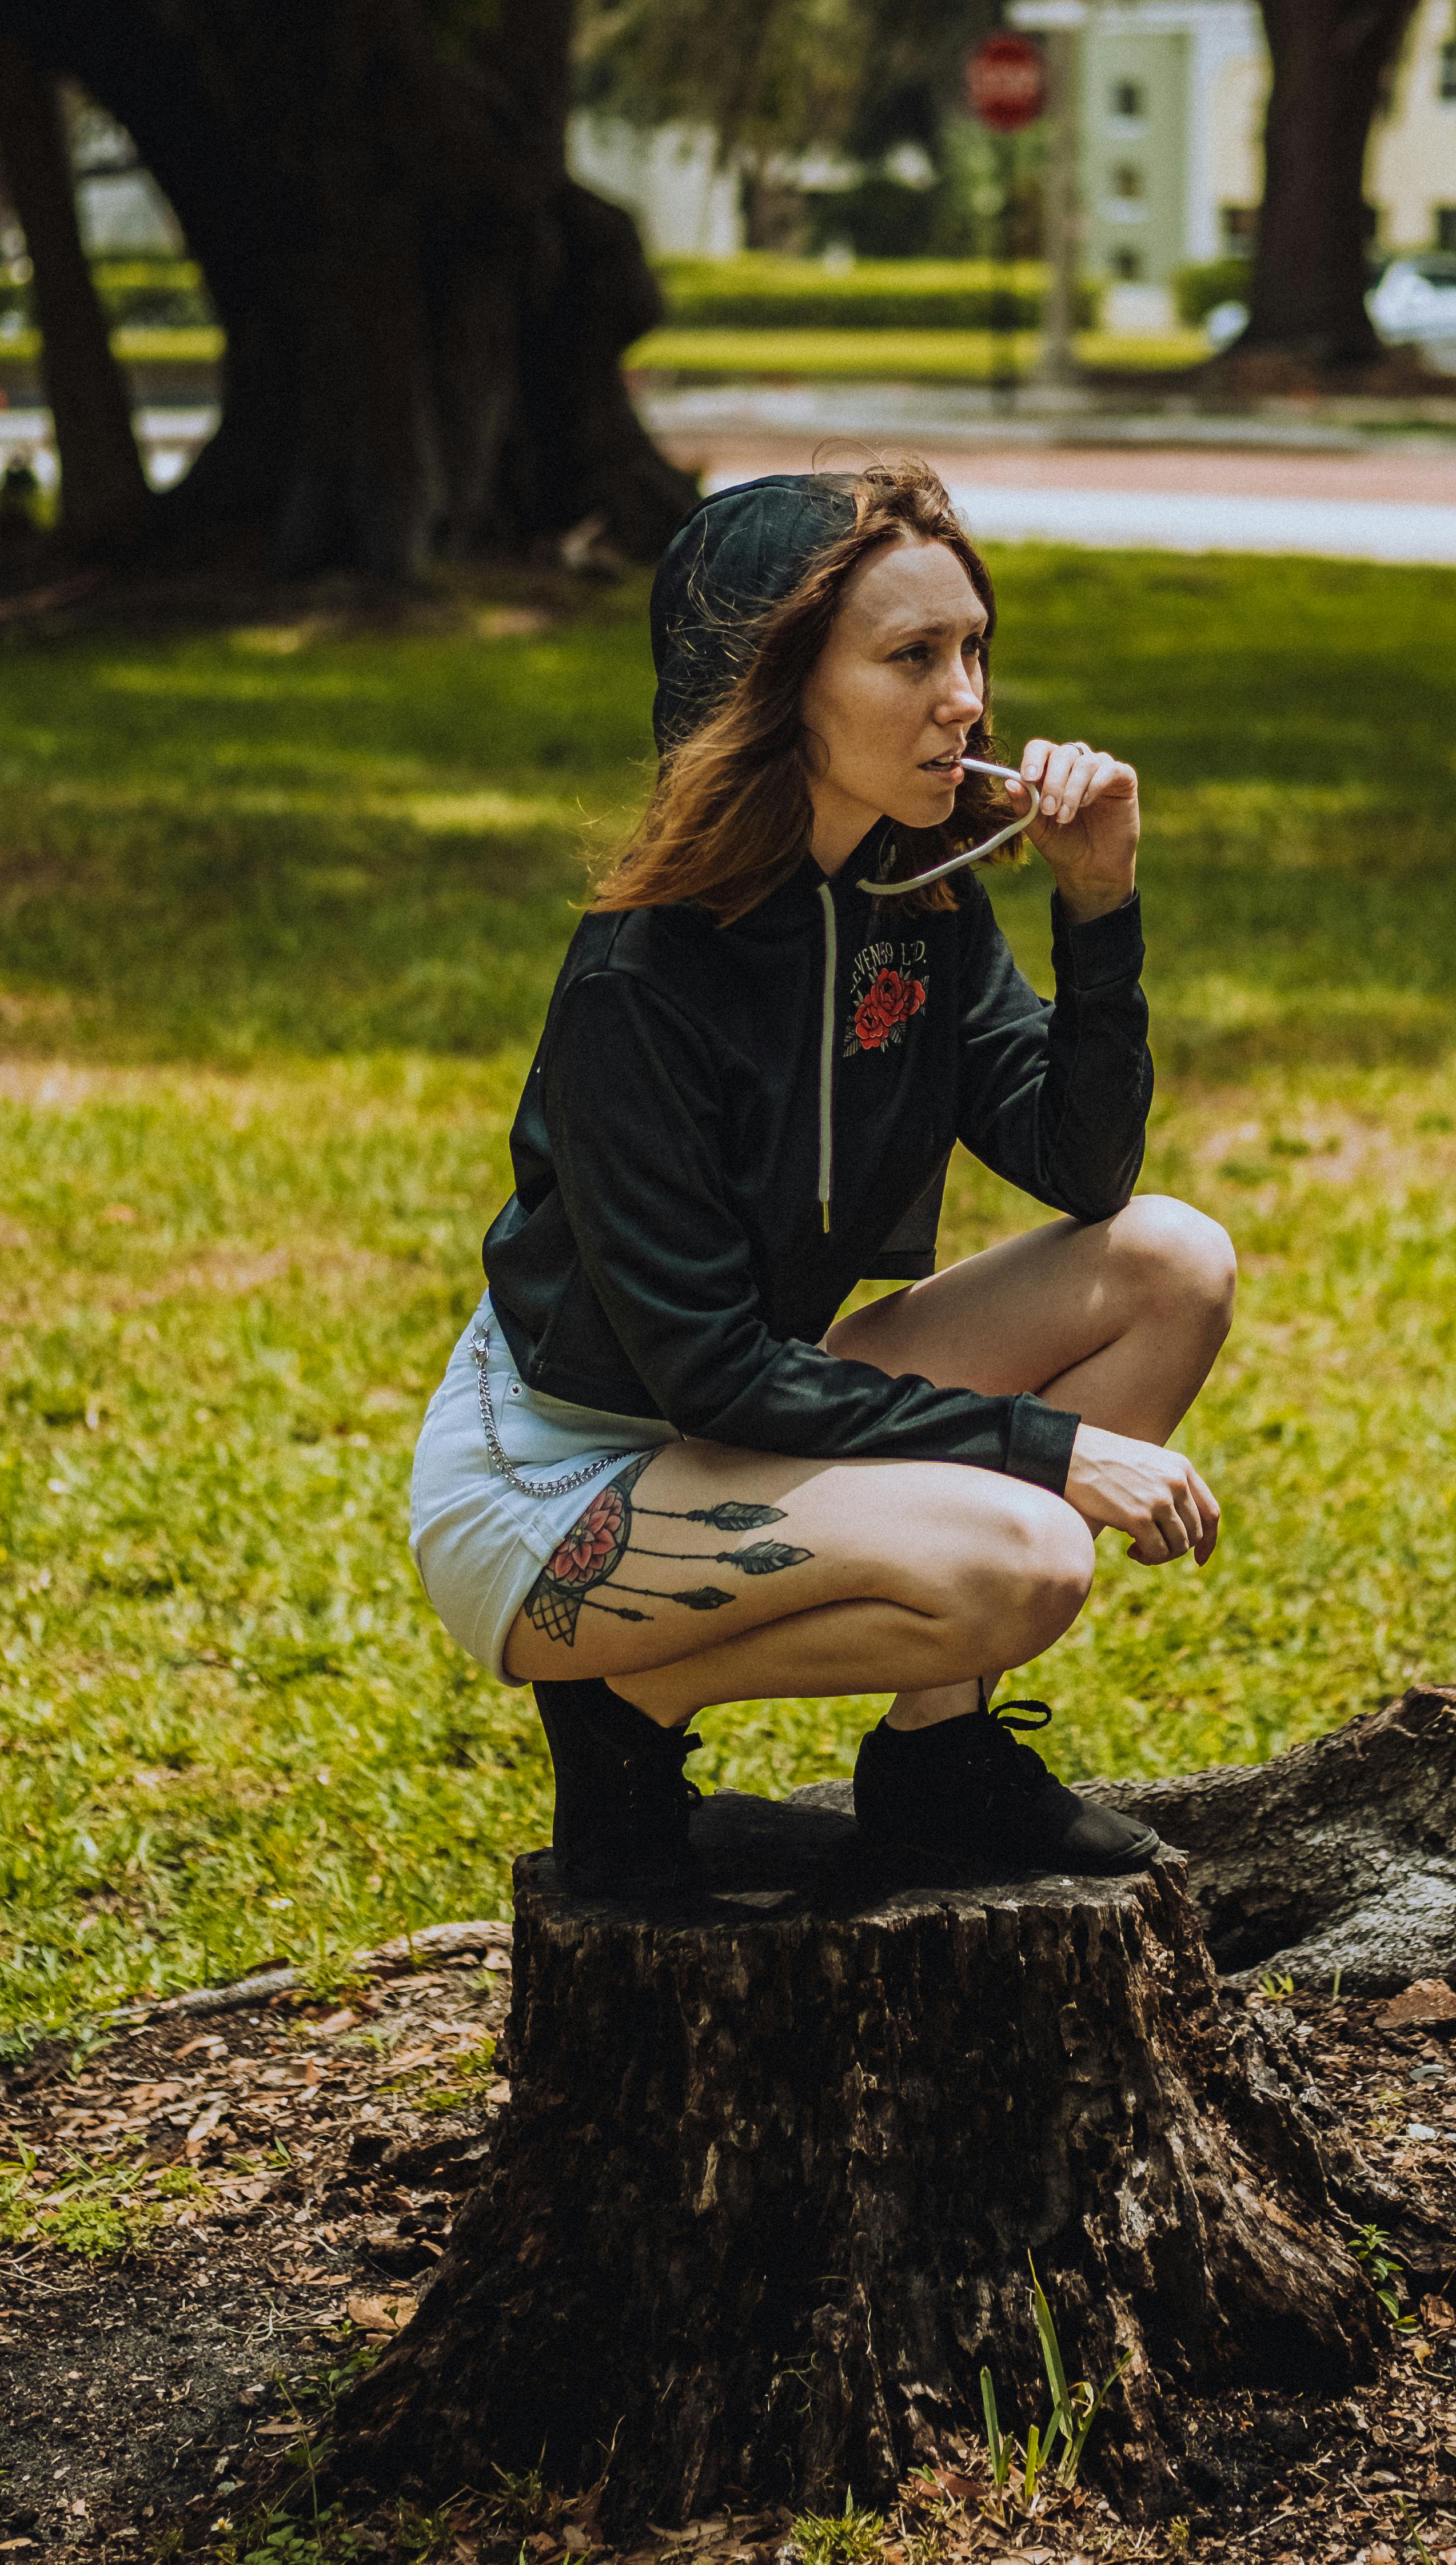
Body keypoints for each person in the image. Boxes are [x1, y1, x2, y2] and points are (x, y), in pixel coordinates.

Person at [408, 461, 1236, 1897]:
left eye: (971, 650)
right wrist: (1054, 1451)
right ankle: (622, 1722)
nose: (966, 699)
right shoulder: (641, 975)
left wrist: (1097, 905)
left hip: (734, 1419)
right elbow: (713, 1372)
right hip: (555, 1484)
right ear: (779, 684)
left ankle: (937, 1762)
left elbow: (1081, 1167)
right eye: (912, 656)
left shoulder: (920, 901)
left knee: (1170, 1261)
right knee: (1025, 1559)